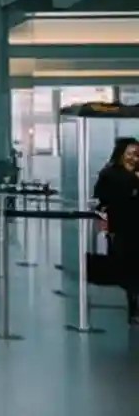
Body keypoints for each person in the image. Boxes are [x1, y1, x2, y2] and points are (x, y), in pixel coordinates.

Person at [94, 137, 139, 325]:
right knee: (130, 267)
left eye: (136, 154)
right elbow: (102, 199)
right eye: (129, 154)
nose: (133, 158)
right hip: (124, 228)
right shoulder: (111, 174)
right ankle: (134, 308)